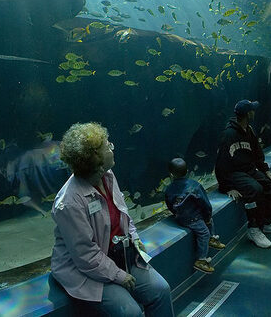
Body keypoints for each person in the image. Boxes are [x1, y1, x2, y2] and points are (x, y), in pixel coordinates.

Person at [50, 122, 173, 316]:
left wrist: (134, 237)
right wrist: (119, 276)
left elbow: (122, 212)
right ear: (95, 158)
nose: (112, 147)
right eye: (108, 146)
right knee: (130, 312)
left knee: (161, 290)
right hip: (86, 271)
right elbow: (85, 255)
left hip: (118, 256)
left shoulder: (107, 175)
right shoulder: (69, 203)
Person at [215, 100, 271, 249]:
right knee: (255, 189)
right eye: (252, 110)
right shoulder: (228, 134)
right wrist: (227, 187)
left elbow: (257, 153)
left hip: (249, 170)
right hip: (234, 173)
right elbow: (221, 162)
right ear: (248, 114)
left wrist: (266, 170)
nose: (255, 111)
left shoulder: (249, 130)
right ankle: (253, 229)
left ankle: (264, 223)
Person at [164, 158, 226, 274]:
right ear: (187, 171)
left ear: (170, 174)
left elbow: (169, 204)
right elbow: (205, 204)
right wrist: (207, 218)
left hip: (180, 218)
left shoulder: (169, 188)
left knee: (207, 223)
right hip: (194, 219)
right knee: (204, 232)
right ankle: (201, 260)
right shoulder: (195, 186)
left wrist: (177, 213)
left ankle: (212, 239)